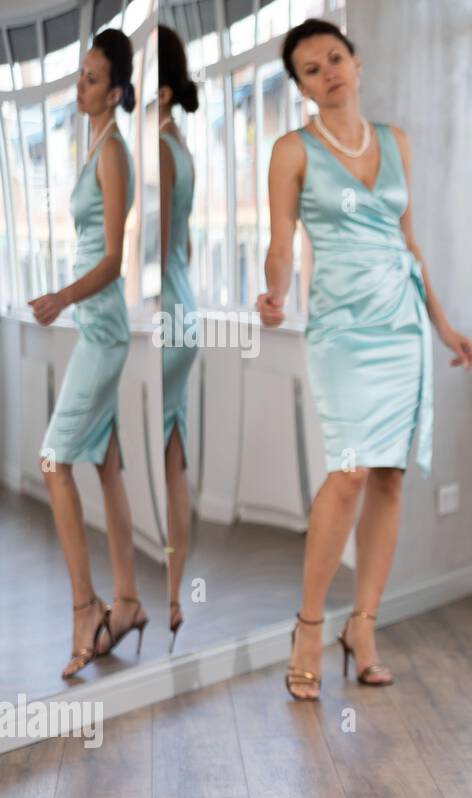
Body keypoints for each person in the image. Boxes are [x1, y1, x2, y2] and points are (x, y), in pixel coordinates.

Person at [255, 19, 472, 700]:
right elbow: (282, 243)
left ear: (355, 61)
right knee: (348, 472)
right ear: (300, 88)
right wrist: (274, 294)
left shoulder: (394, 141)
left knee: (388, 478)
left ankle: (365, 626)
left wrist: (442, 323)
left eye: (335, 58)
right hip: (343, 330)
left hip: (402, 325)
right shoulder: (292, 149)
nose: (330, 72)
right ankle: (309, 626)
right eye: (312, 69)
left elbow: (409, 241)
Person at [30, 29, 142, 679]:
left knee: (52, 461)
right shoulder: (93, 142)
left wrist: (61, 299)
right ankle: (126, 603)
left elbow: (113, 260)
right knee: (106, 466)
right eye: (79, 75)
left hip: (102, 331)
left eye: (93, 79)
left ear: (116, 92)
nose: (81, 86)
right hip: (96, 325)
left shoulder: (114, 153)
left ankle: (85, 609)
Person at [158, 22, 200, 652]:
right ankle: (168, 599)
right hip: (183, 306)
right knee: (171, 459)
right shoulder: (179, 144)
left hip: (161, 311)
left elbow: (157, 241)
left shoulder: (156, 150)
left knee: (158, 458)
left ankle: (157, 597)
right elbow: (182, 244)